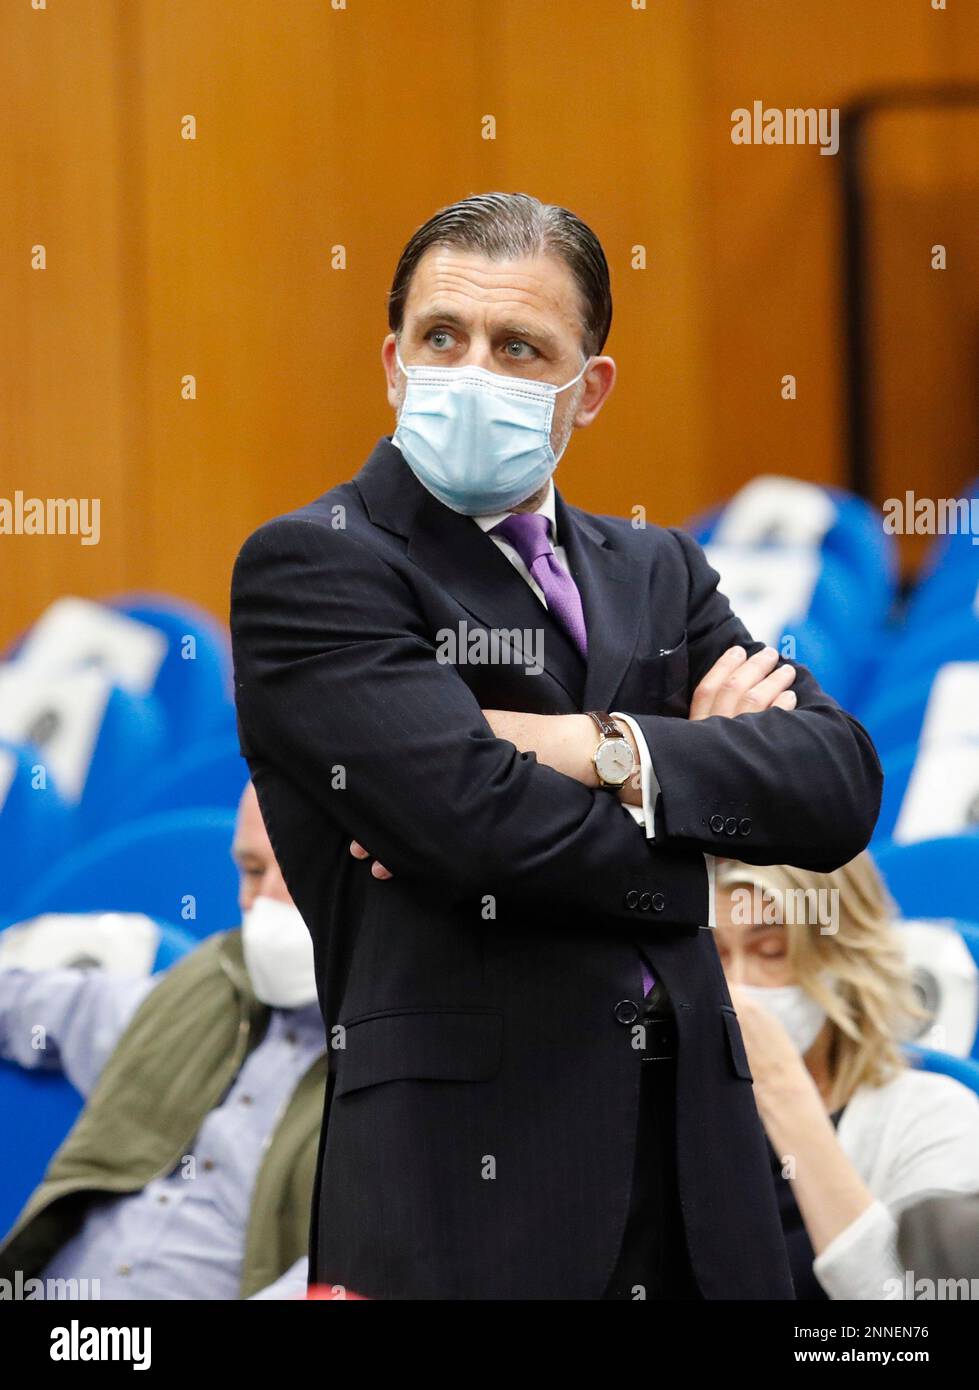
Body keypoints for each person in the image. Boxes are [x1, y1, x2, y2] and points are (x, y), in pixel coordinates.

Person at [230, 191, 882, 1300]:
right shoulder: (317, 564)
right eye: (444, 338)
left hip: (702, 1179)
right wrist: (699, 814)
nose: (471, 370)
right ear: (393, 363)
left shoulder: (658, 569)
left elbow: (836, 786)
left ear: (589, 388)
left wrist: (605, 747)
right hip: (471, 1192)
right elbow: (475, 830)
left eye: (519, 346)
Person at [0, 783, 325, 1300]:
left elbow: (365, 1270)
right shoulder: (191, 999)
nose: (255, 901)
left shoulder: (404, 1080)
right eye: (248, 871)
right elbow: (28, 1006)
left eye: (279, 870)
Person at [713, 853, 979, 1300]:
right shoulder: (680, 1111)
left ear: (845, 958)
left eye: (772, 952)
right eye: (714, 956)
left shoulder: (932, 1116)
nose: (736, 986)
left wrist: (785, 1094)